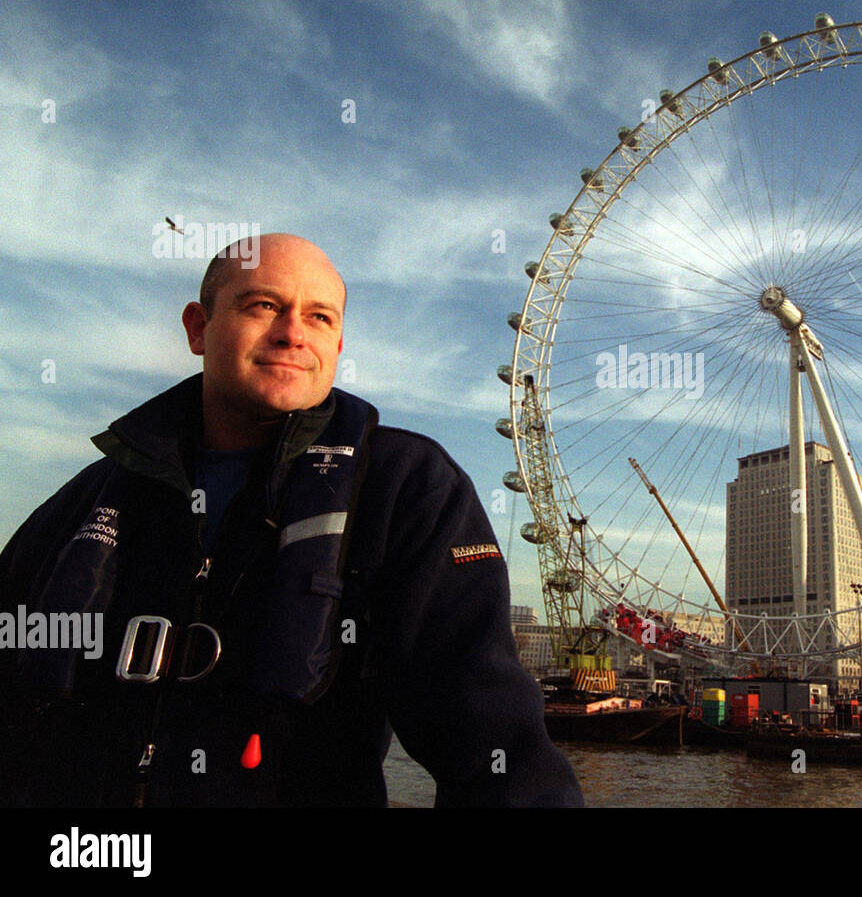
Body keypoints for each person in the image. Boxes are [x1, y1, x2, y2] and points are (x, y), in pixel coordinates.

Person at [0, 233, 583, 807]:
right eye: (263, 306)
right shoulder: (92, 497)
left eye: (321, 318)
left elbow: (497, 751)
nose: (293, 334)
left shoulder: (404, 486)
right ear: (198, 328)